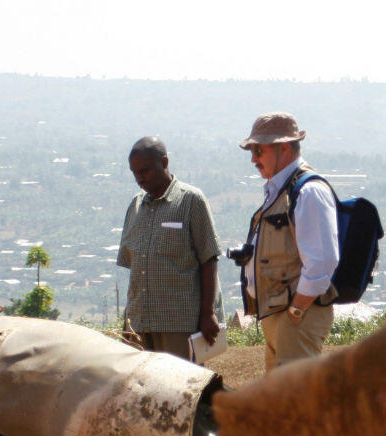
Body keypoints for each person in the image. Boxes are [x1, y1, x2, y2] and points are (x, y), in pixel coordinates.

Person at [237, 112, 339, 371]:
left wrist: (295, 312)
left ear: (284, 147)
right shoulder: (281, 189)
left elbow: (322, 262)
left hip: (296, 316)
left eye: (259, 150)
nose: (253, 158)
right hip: (281, 315)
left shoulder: (308, 191)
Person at [117, 136, 222, 360]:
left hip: (178, 323)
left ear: (164, 162)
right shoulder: (136, 206)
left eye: (144, 170)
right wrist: (128, 321)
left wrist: (208, 313)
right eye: (134, 172)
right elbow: (134, 268)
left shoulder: (191, 200)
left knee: (181, 389)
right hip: (139, 323)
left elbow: (209, 258)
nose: (139, 178)